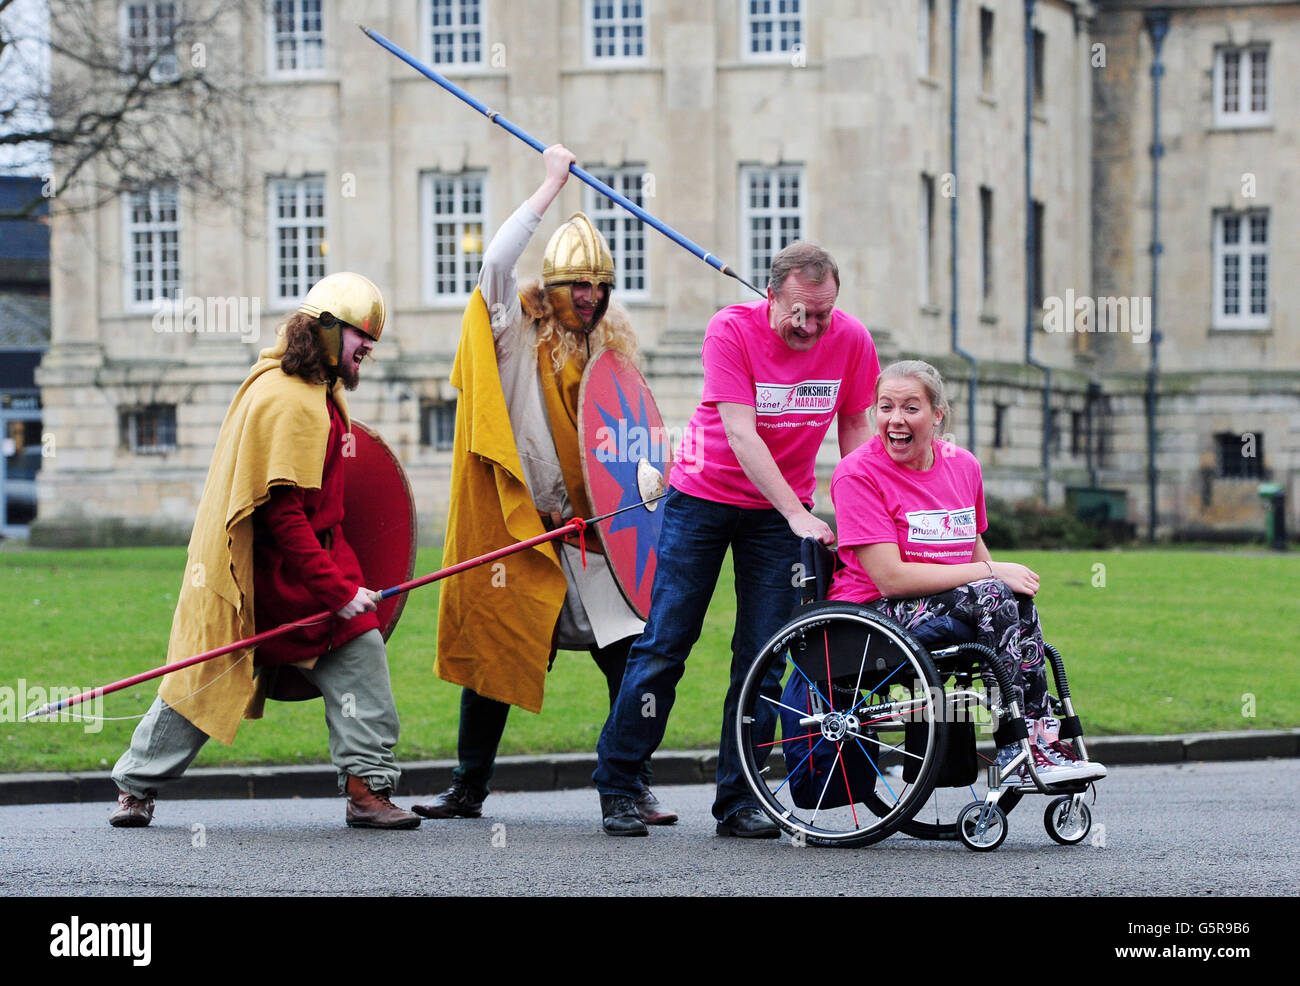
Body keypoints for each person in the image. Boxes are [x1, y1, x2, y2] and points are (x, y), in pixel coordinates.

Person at [108, 272, 422, 830]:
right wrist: (338, 592)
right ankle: (136, 783)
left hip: (308, 568)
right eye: (360, 337)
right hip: (269, 578)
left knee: (357, 655)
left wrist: (340, 586)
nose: (369, 348)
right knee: (207, 674)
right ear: (327, 332)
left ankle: (366, 788)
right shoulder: (292, 401)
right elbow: (284, 517)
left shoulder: (300, 388)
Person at [419, 144, 675, 826]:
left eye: (598, 286)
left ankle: (633, 780)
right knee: (496, 660)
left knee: (627, 659)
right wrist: (549, 186)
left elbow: (632, 452)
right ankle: (468, 787)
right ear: (551, 290)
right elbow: (497, 262)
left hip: (594, 538)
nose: (588, 298)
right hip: (523, 529)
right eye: (576, 285)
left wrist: (655, 486)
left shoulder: (614, 357)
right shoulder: (515, 336)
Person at [593, 242, 880, 837]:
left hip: (778, 514)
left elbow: (855, 427)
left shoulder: (851, 340)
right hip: (702, 498)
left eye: (821, 314)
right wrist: (799, 515)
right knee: (667, 642)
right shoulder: (730, 329)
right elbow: (742, 436)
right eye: (797, 312)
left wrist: (864, 516)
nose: (808, 326)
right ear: (770, 295)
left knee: (763, 658)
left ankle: (740, 798)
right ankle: (620, 782)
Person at [825, 359, 1106, 783]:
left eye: (910, 408)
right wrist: (990, 573)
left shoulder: (962, 466)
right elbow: (891, 578)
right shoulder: (856, 474)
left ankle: (1042, 739)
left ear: (938, 415)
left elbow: (972, 550)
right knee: (993, 592)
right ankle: (1018, 747)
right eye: (885, 408)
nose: (895, 420)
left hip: (947, 604)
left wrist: (994, 578)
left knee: (1015, 599)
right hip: (871, 616)